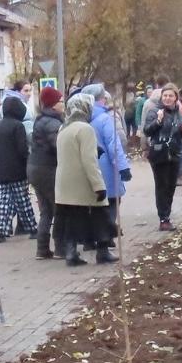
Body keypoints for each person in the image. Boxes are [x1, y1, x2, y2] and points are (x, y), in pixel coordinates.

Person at [54, 92, 111, 266]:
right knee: (100, 215)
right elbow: (89, 160)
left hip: (64, 183)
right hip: (82, 182)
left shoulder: (63, 128)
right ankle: (103, 252)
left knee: (71, 219)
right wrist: (99, 185)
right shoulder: (85, 129)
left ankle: (71, 253)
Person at [142, 84, 182, 231]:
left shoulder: (179, 114)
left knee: (171, 186)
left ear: (176, 97)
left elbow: (181, 135)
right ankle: (163, 219)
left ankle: (166, 214)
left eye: (171, 96)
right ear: (161, 97)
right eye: (165, 96)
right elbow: (147, 131)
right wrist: (158, 122)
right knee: (161, 186)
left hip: (175, 154)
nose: (167, 98)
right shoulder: (154, 111)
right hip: (159, 154)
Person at [0, 93, 36, 242]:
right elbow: (22, 149)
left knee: (3, 201)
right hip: (17, 170)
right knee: (23, 201)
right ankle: (33, 228)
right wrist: (27, 163)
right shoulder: (18, 126)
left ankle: (0, 231)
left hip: (1, 170)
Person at [28, 86, 64, 259]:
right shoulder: (53, 122)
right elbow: (59, 146)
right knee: (59, 208)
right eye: (61, 101)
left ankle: (42, 248)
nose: (63, 103)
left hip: (35, 168)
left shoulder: (41, 119)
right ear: (53, 104)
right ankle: (60, 248)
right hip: (48, 169)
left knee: (46, 211)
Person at [90, 89, 129, 248]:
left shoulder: (83, 119)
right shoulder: (105, 119)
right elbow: (115, 144)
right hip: (107, 166)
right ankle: (106, 237)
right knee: (112, 200)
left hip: (90, 166)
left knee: (94, 203)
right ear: (102, 100)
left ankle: (92, 238)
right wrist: (123, 167)